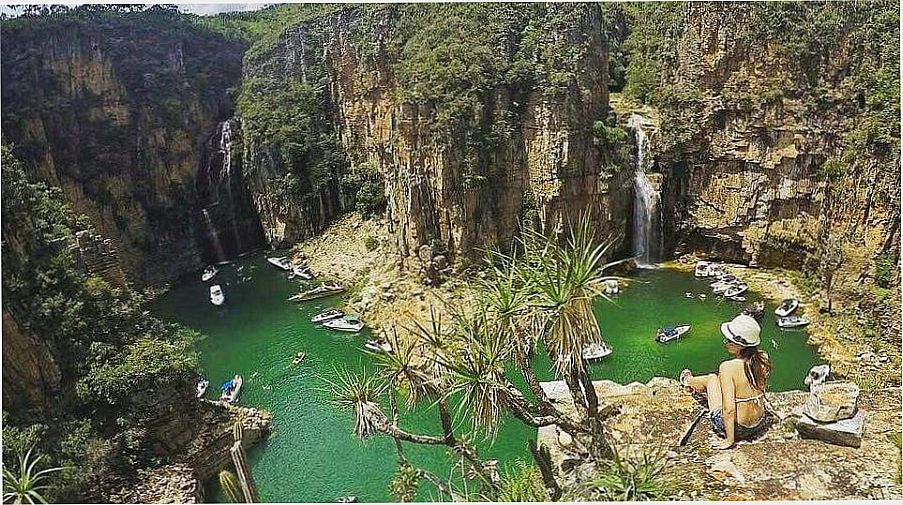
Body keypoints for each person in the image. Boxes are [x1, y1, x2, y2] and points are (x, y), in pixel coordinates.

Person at [679, 314, 772, 449]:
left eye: (729, 340)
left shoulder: (727, 367)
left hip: (739, 429)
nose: (726, 342)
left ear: (740, 345)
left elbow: (729, 409)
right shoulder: (762, 359)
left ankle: (687, 381)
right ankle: (689, 382)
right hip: (758, 423)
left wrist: (729, 440)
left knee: (712, 379)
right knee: (718, 381)